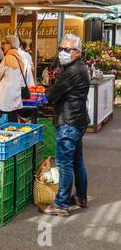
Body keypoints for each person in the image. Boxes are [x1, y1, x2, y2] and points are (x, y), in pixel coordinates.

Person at [40, 34, 90, 217]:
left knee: (64, 164)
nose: (62, 52)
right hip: (78, 120)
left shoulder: (73, 71)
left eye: (67, 50)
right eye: (61, 49)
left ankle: (61, 204)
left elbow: (52, 94)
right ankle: (81, 197)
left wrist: (47, 90)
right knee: (77, 161)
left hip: (69, 122)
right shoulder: (79, 68)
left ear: (77, 52)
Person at [0, 35, 26, 122]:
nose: (3, 46)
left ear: (10, 45)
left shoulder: (8, 58)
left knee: (6, 123)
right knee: (13, 121)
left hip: (6, 96)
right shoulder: (20, 58)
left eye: (4, 44)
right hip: (16, 95)